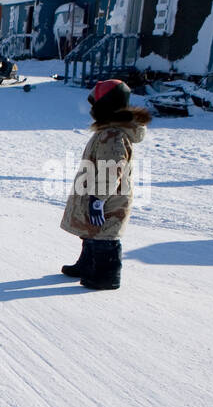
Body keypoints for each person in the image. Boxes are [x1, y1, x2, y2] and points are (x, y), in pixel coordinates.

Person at [60, 79, 150, 290]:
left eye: (95, 104)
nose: (92, 109)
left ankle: (107, 276)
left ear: (106, 105)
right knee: (92, 230)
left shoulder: (113, 135)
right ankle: (87, 265)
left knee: (105, 235)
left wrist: (98, 199)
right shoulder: (109, 130)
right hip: (97, 191)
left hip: (110, 199)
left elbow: (111, 171)